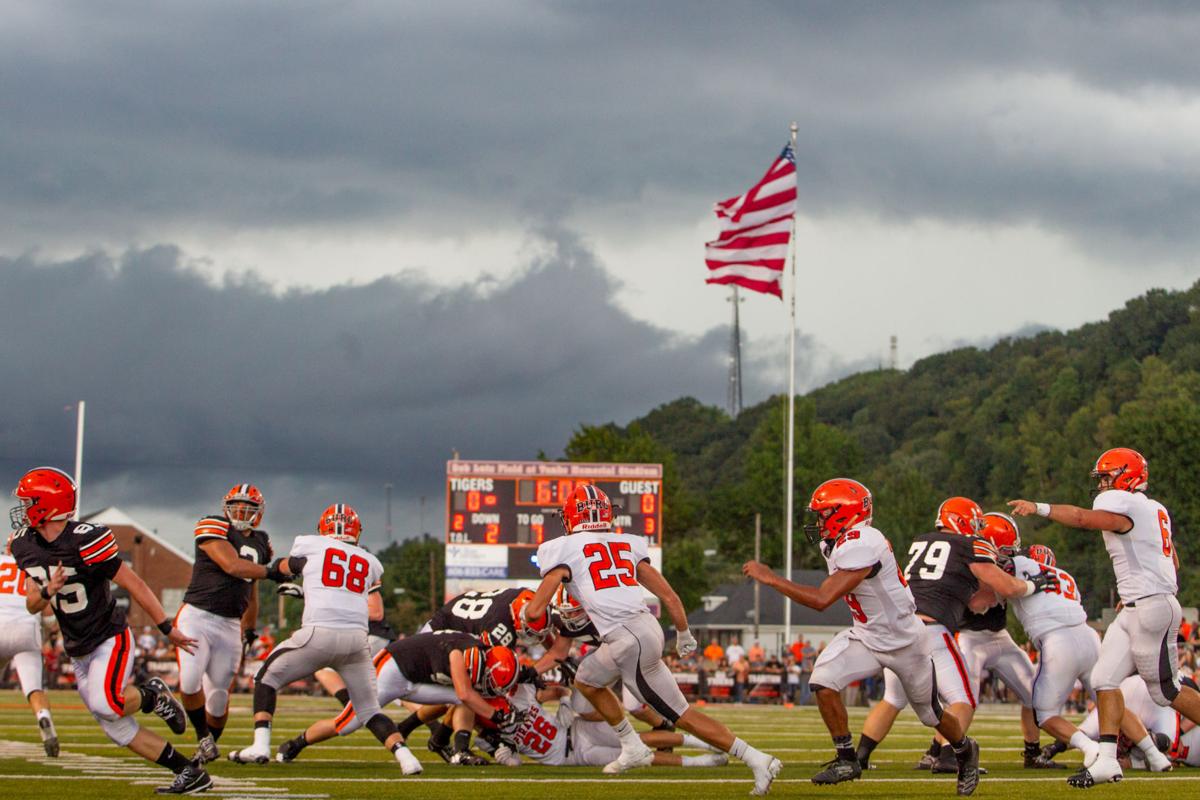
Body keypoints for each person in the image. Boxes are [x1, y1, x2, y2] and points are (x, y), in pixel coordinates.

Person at [523, 483, 781, 795]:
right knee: (587, 680)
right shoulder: (627, 543)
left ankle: (756, 758)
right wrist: (683, 633)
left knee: (680, 715)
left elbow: (534, 611)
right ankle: (631, 745)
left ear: (570, 518)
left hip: (628, 639)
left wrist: (528, 616)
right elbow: (669, 596)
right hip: (642, 629)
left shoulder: (561, 549)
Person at [743, 478, 981, 795]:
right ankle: (847, 759)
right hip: (867, 635)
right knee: (822, 682)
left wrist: (771, 578)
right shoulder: (836, 542)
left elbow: (821, 600)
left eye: (824, 514)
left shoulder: (864, 542)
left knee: (930, 714)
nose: (818, 521)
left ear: (845, 514)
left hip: (905, 641)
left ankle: (965, 749)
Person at [9, 466, 209, 794]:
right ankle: (189, 771)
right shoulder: (23, 545)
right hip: (77, 646)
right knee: (115, 728)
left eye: (28, 501)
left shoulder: (85, 539)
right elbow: (32, 604)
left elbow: (134, 583)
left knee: (107, 704)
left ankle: (152, 695)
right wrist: (47, 590)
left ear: (47, 505)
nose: (22, 508)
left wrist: (165, 626)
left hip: (108, 637)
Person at [1010, 447, 1200, 788]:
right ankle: (1108, 761)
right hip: (1136, 606)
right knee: (1103, 679)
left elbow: (1083, 519)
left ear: (1127, 476)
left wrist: (1038, 508)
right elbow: (1173, 561)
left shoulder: (1127, 506)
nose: (1102, 485)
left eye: (1107, 477)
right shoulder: (1154, 508)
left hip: (1150, 607)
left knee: (1166, 690)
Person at [853, 496, 1058, 775]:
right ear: (961, 522)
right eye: (974, 524)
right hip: (938, 631)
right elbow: (998, 591)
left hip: (902, 627)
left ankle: (858, 757)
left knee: (893, 698)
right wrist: (1032, 584)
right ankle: (947, 756)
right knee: (963, 699)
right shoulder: (970, 546)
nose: (977, 530)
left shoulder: (922, 541)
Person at [227, 504, 417, 774]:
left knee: (265, 678)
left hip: (319, 633)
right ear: (356, 531)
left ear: (323, 528)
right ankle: (406, 757)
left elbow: (287, 566)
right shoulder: (371, 562)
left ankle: (260, 745)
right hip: (356, 642)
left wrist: (277, 569)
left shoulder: (312, 544)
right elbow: (340, 587)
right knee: (368, 710)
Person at [1008, 544, 1170, 771]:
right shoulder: (1065, 577)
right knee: (1112, 703)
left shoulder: (1021, 565)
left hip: (1057, 641)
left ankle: (1089, 747)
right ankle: (1155, 756)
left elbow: (1000, 581)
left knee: (1044, 715)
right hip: (1088, 637)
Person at [277, 631, 524, 767]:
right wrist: (497, 716)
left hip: (416, 680)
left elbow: (465, 696)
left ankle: (455, 749)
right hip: (390, 671)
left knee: (462, 700)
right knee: (346, 724)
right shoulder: (461, 653)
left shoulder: (477, 653)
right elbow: (464, 693)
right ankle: (294, 744)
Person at [176, 484, 276, 763]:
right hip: (198, 616)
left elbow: (251, 590)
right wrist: (274, 572)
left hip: (231, 624)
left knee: (219, 699)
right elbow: (231, 565)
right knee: (189, 681)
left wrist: (250, 628)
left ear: (259, 512)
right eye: (236, 505)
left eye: (248, 507)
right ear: (226, 507)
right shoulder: (213, 526)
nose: (241, 511)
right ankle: (203, 737)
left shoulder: (262, 542)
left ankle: (206, 752)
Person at [959, 512, 1052, 768]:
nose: (1009, 556)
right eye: (1005, 550)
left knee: (1034, 692)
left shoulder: (1003, 566)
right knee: (964, 698)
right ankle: (939, 751)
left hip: (1000, 637)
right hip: (968, 637)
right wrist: (1011, 585)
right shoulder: (966, 563)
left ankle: (1032, 753)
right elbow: (979, 602)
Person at [482, 684, 729, 768]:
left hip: (577, 729)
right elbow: (514, 762)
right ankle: (702, 762)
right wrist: (505, 757)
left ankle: (706, 743)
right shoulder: (487, 736)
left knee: (638, 740)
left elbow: (559, 690)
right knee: (641, 757)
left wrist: (565, 701)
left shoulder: (520, 694)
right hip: (574, 756)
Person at [0, 532, 59, 756]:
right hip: (25, 629)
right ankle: (43, 716)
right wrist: (50, 632)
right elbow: (48, 615)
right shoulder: (35, 568)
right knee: (34, 688)